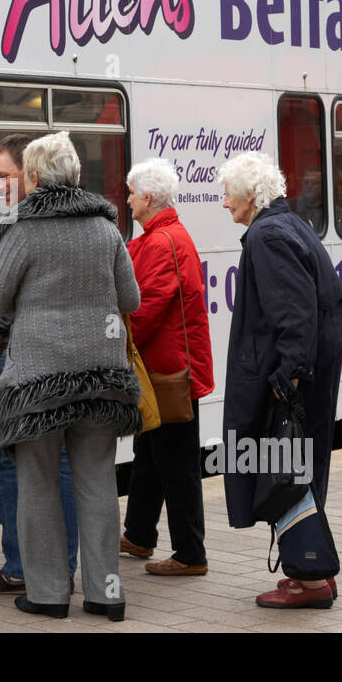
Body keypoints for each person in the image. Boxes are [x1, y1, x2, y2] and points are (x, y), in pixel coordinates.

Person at [0, 131, 142, 621]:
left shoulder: (22, 229)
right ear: (75, 174)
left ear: (33, 177)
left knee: (37, 483)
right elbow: (131, 300)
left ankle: (50, 594)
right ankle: (106, 594)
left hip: (38, 380)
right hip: (101, 378)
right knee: (97, 482)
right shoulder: (105, 229)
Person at [217, 151, 342, 609]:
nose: (224, 202)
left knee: (282, 464)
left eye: (228, 193)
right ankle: (315, 569)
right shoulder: (288, 224)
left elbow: (293, 313)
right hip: (305, 365)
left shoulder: (267, 235)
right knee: (293, 462)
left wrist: (289, 377)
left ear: (251, 195)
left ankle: (308, 577)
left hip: (290, 373)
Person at [0, 134, 79, 595]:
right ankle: (66, 566)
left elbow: (2, 294)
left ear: (30, 175)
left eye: (4, 176)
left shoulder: (19, 224)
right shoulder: (91, 218)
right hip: (75, 357)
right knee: (65, 464)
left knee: (7, 458)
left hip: (24, 356)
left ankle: (20, 564)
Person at [120, 159, 214, 577]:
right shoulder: (165, 237)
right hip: (166, 369)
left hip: (171, 373)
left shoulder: (161, 243)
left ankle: (191, 553)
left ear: (148, 198)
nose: (127, 200)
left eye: (131, 193)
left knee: (176, 463)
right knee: (150, 453)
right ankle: (139, 535)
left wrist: (116, 341)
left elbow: (146, 309)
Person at [291, 167, 326, 234]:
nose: (309, 186)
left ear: (322, 186)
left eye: (314, 183)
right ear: (301, 184)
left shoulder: (336, 212)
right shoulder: (291, 206)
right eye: (306, 182)